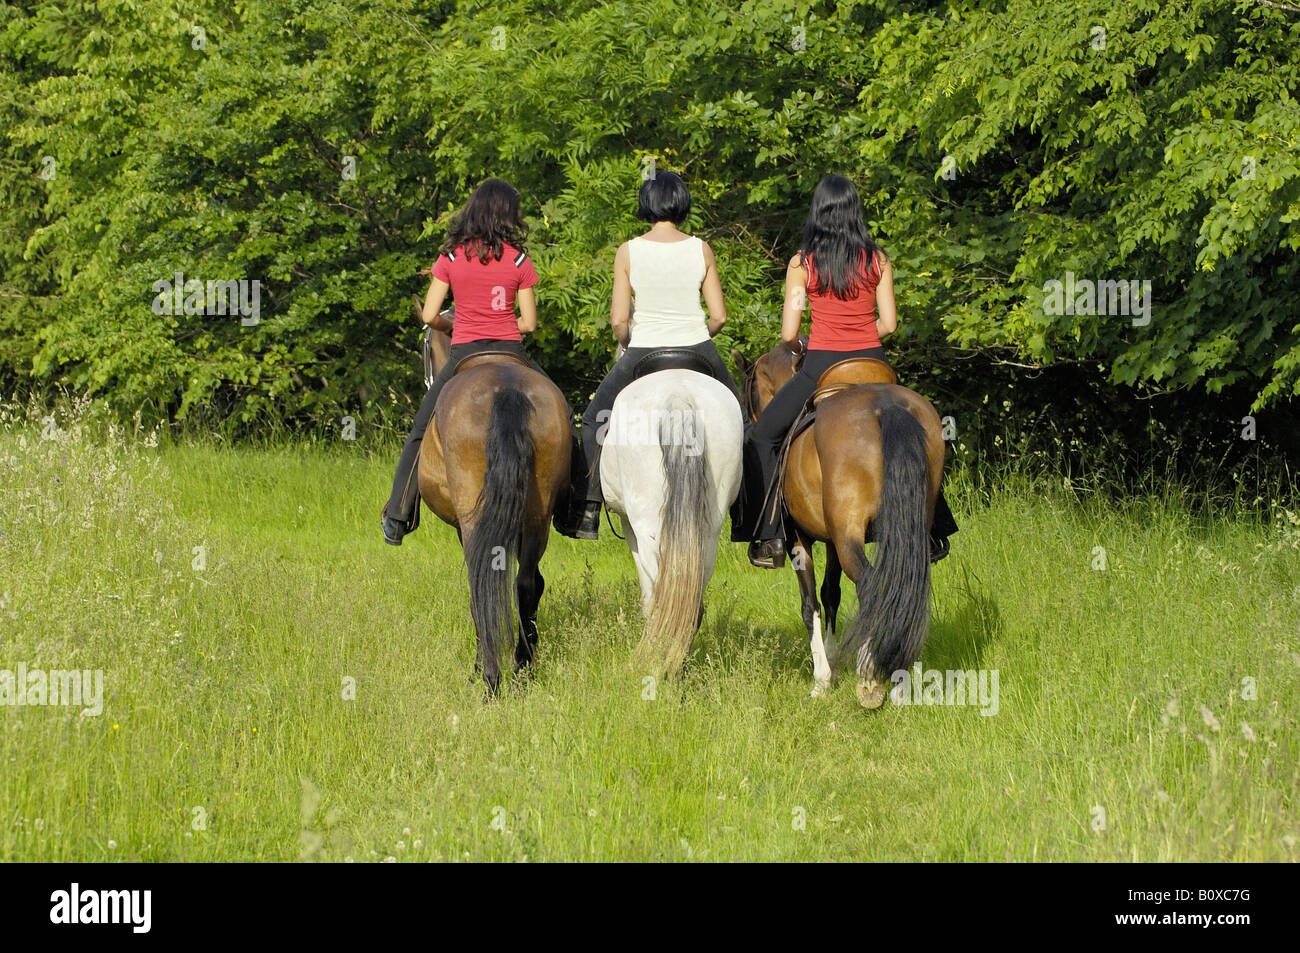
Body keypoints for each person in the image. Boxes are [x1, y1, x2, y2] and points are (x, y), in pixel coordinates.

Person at [744, 174, 958, 568]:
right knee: (913, 428)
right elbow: (889, 324)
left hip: (824, 364)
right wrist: (862, 336)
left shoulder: (801, 263)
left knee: (760, 436)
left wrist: (807, 346)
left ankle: (770, 539)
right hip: (875, 363)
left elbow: (789, 334)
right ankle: (933, 529)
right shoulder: (878, 259)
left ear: (818, 213)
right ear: (855, 211)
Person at [557, 171, 742, 540]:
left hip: (643, 350)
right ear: (681, 204)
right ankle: (749, 516)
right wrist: (697, 335)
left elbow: (618, 319)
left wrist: (628, 339)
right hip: (697, 347)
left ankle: (588, 509)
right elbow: (719, 315)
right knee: (744, 419)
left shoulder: (629, 251)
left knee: (594, 418)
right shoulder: (701, 248)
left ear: (647, 205)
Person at [381, 177, 548, 545]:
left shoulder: (452, 257)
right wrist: (503, 324)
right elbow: (530, 324)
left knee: (422, 430)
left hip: (464, 351)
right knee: (562, 414)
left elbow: (428, 316)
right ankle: (571, 506)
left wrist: (452, 323)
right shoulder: (520, 259)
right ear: (509, 216)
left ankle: (397, 514)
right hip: (511, 349)